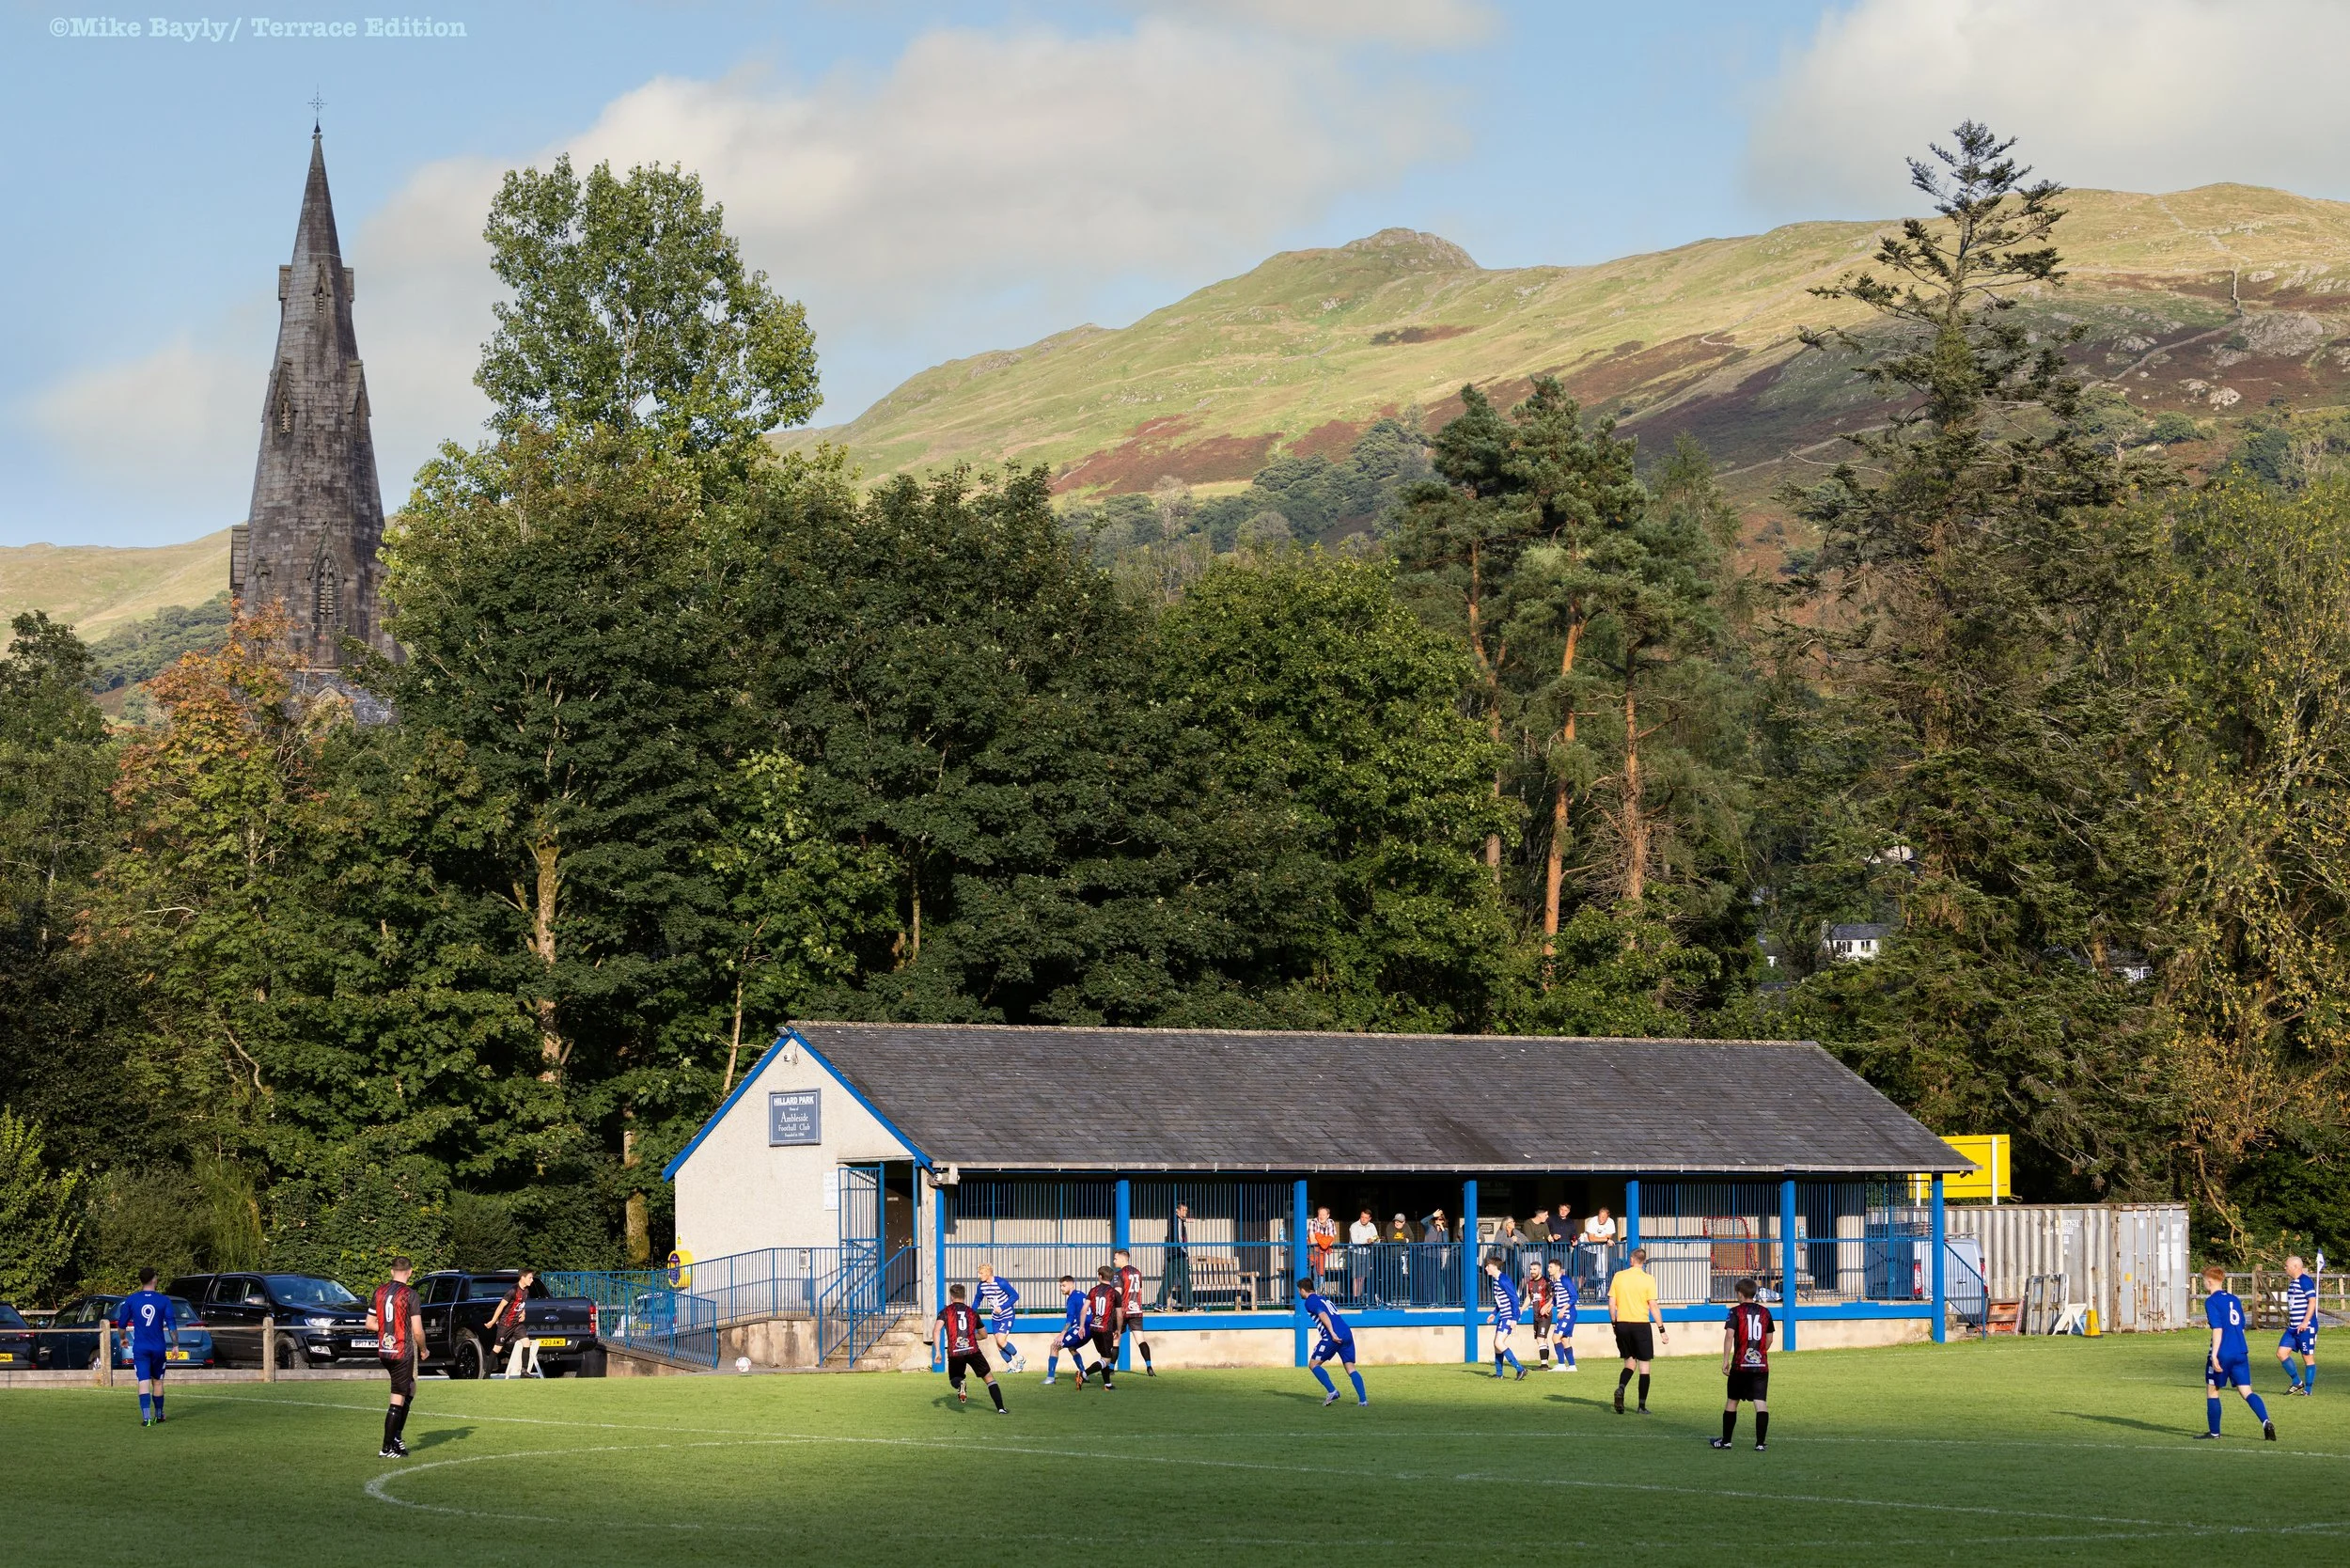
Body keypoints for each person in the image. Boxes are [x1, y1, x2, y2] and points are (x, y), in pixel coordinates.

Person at [2198, 1263, 2275, 1440]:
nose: (2204, 1283)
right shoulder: (2234, 1299)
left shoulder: (2211, 1301)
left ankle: (2214, 1433)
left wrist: (2215, 1354)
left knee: (2213, 1390)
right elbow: (2240, 1327)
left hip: (2223, 1351)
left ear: (2209, 1281)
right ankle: (2266, 1421)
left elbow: (2217, 1329)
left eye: (2204, 1280)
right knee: (2246, 1391)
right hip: (2240, 1350)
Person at [369, 1256, 426, 1459]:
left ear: (392, 1271)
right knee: (398, 1397)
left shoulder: (379, 1292)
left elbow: (370, 1323)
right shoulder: (410, 1295)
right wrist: (424, 1349)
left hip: (385, 1352)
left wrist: (387, 1332)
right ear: (410, 1272)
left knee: (410, 1388)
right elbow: (418, 1331)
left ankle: (397, 1437)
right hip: (401, 1352)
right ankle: (386, 1448)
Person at [1711, 1277, 1774, 1450]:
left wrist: (1725, 1360)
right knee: (1760, 1402)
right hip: (1761, 1366)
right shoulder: (1765, 1312)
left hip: (1740, 1365)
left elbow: (1729, 1335)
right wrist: (1760, 1353)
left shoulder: (1735, 1312)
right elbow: (1769, 1338)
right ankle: (1760, 1444)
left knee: (1732, 1401)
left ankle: (1726, 1441)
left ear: (1740, 1293)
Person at [113, 1267, 177, 1427]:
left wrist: (122, 1338)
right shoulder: (164, 1300)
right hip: (158, 1347)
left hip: (141, 1348)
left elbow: (122, 1324)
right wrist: (175, 1345)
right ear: (154, 1279)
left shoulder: (132, 1300)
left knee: (143, 1381)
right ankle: (159, 1415)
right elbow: (171, 1325)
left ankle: (147, 1418)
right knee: (158, 1381)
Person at [1608, 1246, 1668, 1415]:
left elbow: (1612, 1304)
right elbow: (1653, 1306)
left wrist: (1614, 1324)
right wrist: (1661, 1329)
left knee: (1629, 1362)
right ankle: (1641, 1406)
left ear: (1632, 1260)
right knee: (1644, 1367)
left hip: (1622, 1324)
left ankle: (1621, 1388)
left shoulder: (1619, 1276)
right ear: (1643, 1262)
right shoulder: (1648, 1279)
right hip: (1641, 1324)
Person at [933, 1283, 1007, 1414]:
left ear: (951, 1297)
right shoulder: (972, 1313)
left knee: (955, 1379)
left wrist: (938, 1351)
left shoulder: (946, 1311)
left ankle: (961, 1384)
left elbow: (936, 1330)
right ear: (964, 1296)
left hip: (955, 1351)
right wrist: (971, 1337)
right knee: (989, 1378)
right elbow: (984, 1334)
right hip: (973, 1349)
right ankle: (1001, 1408)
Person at [1296, 1276, 1367, 1406]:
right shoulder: (1323, 1298)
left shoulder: (1309, 1301)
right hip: (1347, 1332)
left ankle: (1332, 1391)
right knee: (1351, 1368)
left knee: (1313, 1364)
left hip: (1332, 1336)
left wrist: (1332, 1333)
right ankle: (1363, 1400)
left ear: (1302, 1290)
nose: (1299, 1293)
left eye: (1299, 1291)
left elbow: (1323, 1315)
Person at [489, 1268, 540, 1380]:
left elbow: (522, 1305)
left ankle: (524, 1371)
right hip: (506, 1324)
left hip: (517, 1324)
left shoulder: (526, 1291)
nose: (532, 1280)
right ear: (523, 1278)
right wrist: (493, 1321)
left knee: (526, 1342)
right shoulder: (512, 1291)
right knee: (497, 1348)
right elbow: (501, 1306)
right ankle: (486, 1374)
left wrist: (524, 1314)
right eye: (530, 1278)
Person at [2279, 1254, 2318, 1395]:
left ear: (2295, 1267)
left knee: (2307, 1358)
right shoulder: (2293, 1283)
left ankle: (2308, 1389)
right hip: (2293, 1328)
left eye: (2287, 1265)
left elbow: (2312, 1301)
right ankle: (2297, 1382)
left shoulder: (2305, 1281)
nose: (2285, 1268)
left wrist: (2305, 1321)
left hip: (2306, 1328)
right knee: (2281, 1353)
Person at [1079, 1265, 1122, 1390]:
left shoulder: (1093, 1290)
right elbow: (1119, 1315)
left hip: (1093, 1328)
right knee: (1106, 1359)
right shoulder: (1115, 1293)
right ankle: (1084, 1374)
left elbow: (1084, 1309)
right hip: (1105, 1329)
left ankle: (1107, 1384)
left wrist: (1082, 1326)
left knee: (1103, 1356)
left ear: (1100, 1276)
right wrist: (1118, 1330)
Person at [975, 1264, 1024, 1374]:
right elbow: (978, 1299)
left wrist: (1002, 1307)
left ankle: (1020, 1358)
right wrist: (971, 1312)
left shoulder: (1001, 1282)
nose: (980, 1276)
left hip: (1007, 1315)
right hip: (995, 1317)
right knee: (998, 1343)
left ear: (988, 1273)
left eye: (981, 1273)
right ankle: (1011, 1366)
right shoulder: (981, 1286)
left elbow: (1015, 1296)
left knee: (1001, 1340)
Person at [1484, 1258, 1528, 1380]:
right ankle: (1499, 1374)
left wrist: (1514, 1319)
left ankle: (1520, 1369)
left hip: (1508, 1316)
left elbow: (1514, 1299)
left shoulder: (1504, 1280)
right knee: (1496, 1344)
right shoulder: (1497, 1280)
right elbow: (1502, 1301)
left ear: (1493, 1266)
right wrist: (1494, 1313)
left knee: (1499, 1343)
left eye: (1487, 1266)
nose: (1486, 1268)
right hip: (1504, 1315)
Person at [1112, 1248, 1153, 1376]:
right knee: (1141, 1340)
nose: (1114, 1261)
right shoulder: (1138, 1273)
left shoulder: (1119, 1274)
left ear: (1123, 1258)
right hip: (1136, 1310)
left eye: (1115, 1258)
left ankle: (1110, 1368)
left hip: (1123, 1311)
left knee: (1116, 1339)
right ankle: (1149, 1367)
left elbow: (1118, 1294)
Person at [1043, 1275, 1088, 1386]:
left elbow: (1070, 1319)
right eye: (1060, 1286)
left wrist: (1062, 1334)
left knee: (1054, 1346)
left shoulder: (1072, 1298)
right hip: (1090, 1329)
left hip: (1080, 1329)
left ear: (1072, 1284)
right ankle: (1084, 1374)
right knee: (1072, 1347)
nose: (1062, 1288)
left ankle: (1050, 1378)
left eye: (1064, 1285)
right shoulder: (1082, 1294)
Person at [1544, 1257, 1579, 1371]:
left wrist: (1563, 1309)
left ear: (1558, 1268)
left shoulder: (1565, 1280)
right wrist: (1549, 1306)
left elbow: (1574, 1296)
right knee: (1564, 1339)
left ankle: (1561, 1364)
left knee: (1555, 1338)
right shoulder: (1556, 1283)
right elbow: (1556, 1299)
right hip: (1565, 1313)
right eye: (1548, 1267)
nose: (1549, 1269)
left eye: (1551, 1267)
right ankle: (1572, 1366)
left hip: (1568, 1313)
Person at [1156, 1203, 1193, 1309]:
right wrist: (1183, 1251)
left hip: (1174, 1254)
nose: (1185, 1212)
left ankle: (1159, 1304)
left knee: (1168, 1280)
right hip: (1177, 1254)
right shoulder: (1177, 1221)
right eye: (1183, 1210)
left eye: (1186, 1210)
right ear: (1177, 1210)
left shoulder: (1177, 1221)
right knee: (1185, 1280)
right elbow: (1179, 1238)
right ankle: (1190, 1305)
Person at [1525, 1262, 1554, 1369]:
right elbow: (1529, 1297)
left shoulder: (1547, 1282)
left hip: (1545, 1315)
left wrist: (1547, 1306)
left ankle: (1544, 1364)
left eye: (1535, 1269)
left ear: (1540, 1270)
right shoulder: (1530, 1283)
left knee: (1540, 1339)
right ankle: (1545, 1363)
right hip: (1535, 1315)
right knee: (1542, 1339)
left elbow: (1553, 1296)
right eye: (1531, 1269)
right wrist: (1522, 1309)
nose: (1532, 1271)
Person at [1583, 1207, 1618, 1287]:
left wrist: (1604, 1239)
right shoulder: (1592, 1221)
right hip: (1587, 1249)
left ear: (1607, 1218)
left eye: (1603, 1217)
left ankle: (1601, 1295)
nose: (1600, 1219)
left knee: (1601, 1271)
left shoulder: (1610, 1222)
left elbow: (1609, 1237)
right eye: (1599, 1216)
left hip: (1601, 1249)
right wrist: (1605, 1240)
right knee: (1586, 1274)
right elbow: (1591, 1239)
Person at [1308, 1206, 1339, 1282]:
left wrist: (1319, 1238)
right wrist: (1324, 1241)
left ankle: (1318, 1291)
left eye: (1324, 1215)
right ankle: (1310, 1292)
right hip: (1312, 1250)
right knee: (1311, 1272)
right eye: (1320, 1214)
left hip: (1322, 1251)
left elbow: (1331, 1240)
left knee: (1320, 1273)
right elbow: (1312, 1241)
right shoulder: (1313, 1222)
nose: (1321, 1217)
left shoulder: (1331, 1222)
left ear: (1328, 1215)